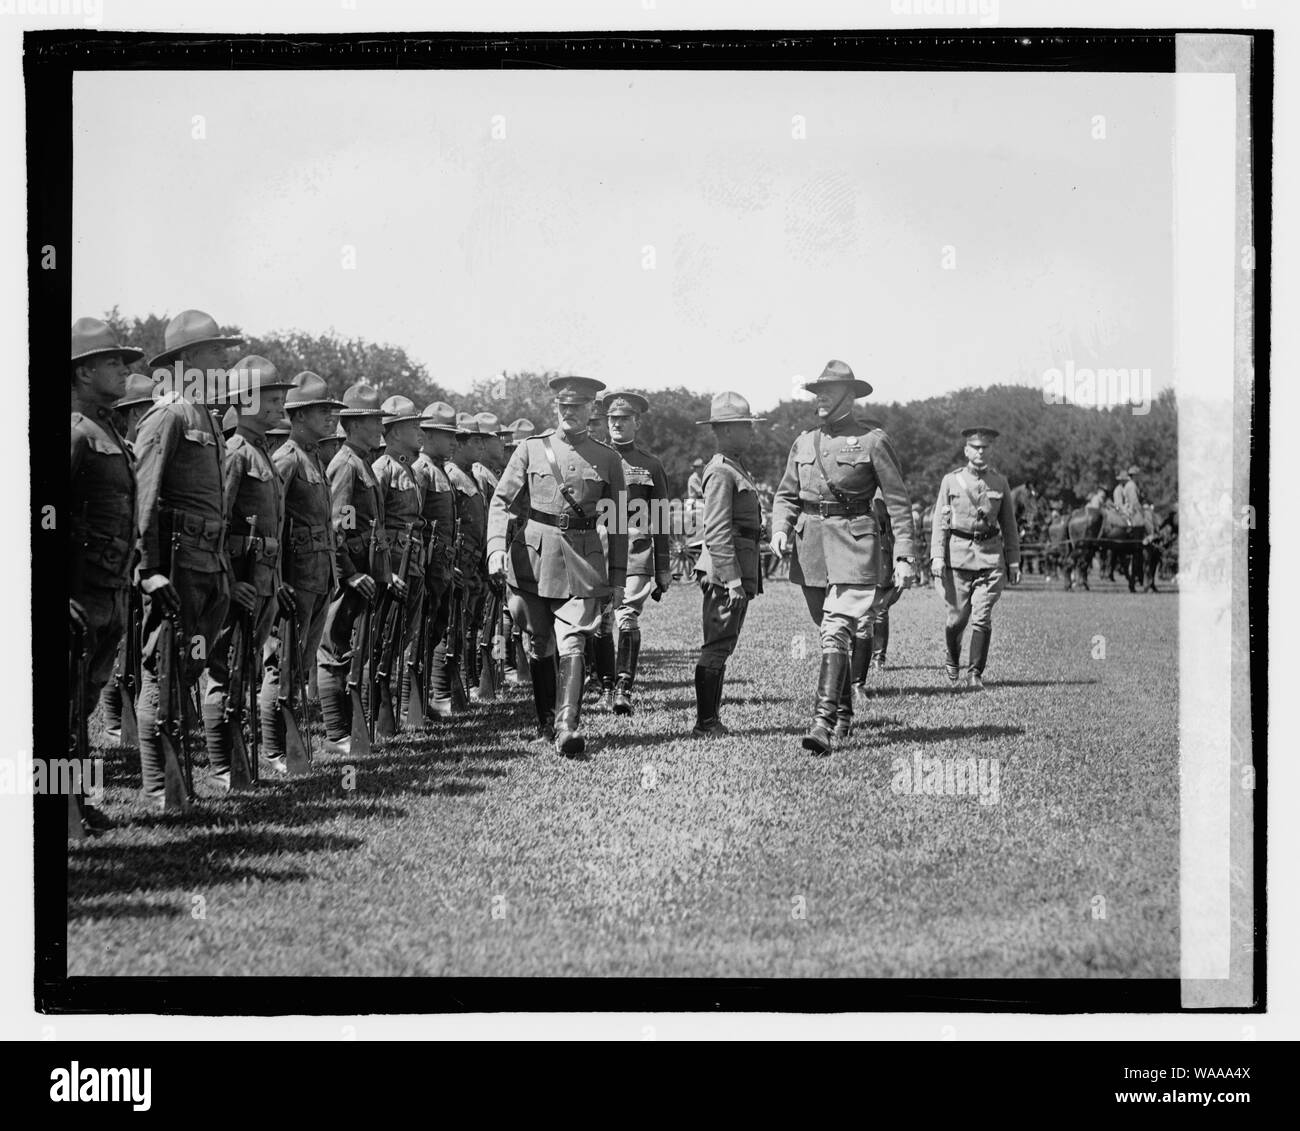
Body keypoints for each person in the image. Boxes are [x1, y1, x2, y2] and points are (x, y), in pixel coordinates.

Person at [770, 361, 916, 756]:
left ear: (849, 397)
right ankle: (845, 712)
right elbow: (786, 494)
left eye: (828, 392)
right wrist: (780, 528)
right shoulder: (803, 442)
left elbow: (899, 502)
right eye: (817, 391)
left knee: (835, 629)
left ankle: (822, 723)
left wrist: (904, 555)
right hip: (811, 549)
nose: (819, 397)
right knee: (828, 629)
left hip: (855, 543)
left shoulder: (872, 441)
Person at [133, 309, 242, 808]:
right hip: (176, 568)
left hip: (208, 566)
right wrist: (147, 570)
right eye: (216, 351)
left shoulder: (209, 421)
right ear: (187, 360)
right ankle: (162, 788)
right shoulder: (169, 415)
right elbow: (145, 498)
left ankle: (177, 784)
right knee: (163, 672)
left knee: (190, 667)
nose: (225, 358)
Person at [486, 375, 628, 756]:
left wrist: (617, 579)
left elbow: (617, 525)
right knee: (540, 642)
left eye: (578, 407)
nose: (570, 413)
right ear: (556, 408)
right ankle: (546, 721)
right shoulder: (532, 450)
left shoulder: (608, 459)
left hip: (583, 560)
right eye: (564, 407)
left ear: (591, 410)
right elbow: (501, 502)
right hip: (532, 559)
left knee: (573, 638)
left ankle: (568, 726)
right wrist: (495, 548)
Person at [203, 357, 295, 787]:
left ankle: (240, 761)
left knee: (249, 670)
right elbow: (218, 522)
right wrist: (231, 580)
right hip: (241, 581)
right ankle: (223, 766)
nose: (281, 403)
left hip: (264, 581)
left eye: (281, 396)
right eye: (271, 397)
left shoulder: (263, 453)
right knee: (224, 669)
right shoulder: (236, 453)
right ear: (245, 401)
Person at [70, 317, 142, 833]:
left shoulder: (107, 430)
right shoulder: (75, 434)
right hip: (79, 591)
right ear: (82, 372)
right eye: (112, 363)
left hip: (112, 588)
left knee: (86, 700)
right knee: (64, 701)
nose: (123, 371)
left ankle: (75, 803)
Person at [262, 372, 344, 767]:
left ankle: (288, 746)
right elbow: (273, 523)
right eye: (321, 411)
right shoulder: (287, 460)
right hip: (295, 578)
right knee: (282, 664)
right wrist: (277, 580)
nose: (330, 417)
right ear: (298, 416)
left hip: (319, 574)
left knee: (301, 663)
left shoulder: (313, 457)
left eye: (331, 411)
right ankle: (274, 748)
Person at [317, 383, 390, 754]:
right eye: (375, 419)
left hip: (365, 572)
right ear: (356, 423)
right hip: (352, 575)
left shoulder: (361, 461)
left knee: (352, 648)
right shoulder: (346, 465)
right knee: (334, 650)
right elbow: (338, 526)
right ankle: (336, 735)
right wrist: (348, 572)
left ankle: (348, 730)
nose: (381, 426)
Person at [691, 392, 765, 738]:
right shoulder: (721, 471)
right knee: (717, 645)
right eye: (746, 426)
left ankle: (710, 720)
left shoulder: (734, 466)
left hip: (736, 566)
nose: (752, 432)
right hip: (725, 571)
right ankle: (706, 723)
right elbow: (718, 530)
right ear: (726, 430)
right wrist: (733, 580)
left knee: (724, 644)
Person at [929, 426, 1021, 690]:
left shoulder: (999, 482)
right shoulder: (951, 481)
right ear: (966, 450)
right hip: (957, 557)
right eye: (976, 447)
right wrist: (937, 556)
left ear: (990, 450)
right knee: (956, 618)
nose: (980, 452)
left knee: (982, 616)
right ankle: (952, 653)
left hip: (991, 558)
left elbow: (1010, 526)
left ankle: (975, 673)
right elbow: (939, 522)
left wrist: (1013, 561)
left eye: (985, 448)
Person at [601, 390, 672, 715]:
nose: (617, 424)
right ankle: (602, 682)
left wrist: (663, 567)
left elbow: (660, 520)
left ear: (636, 423)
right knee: (599, 620)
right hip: (597, 545)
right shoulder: (594, 457)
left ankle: (623, 688)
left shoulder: (649, 465)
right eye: (613, 418)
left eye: (624, 419)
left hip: (634, 547)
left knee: (626, 614)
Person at [100, 371, 158, 746]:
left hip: (137, 562)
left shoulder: (136, 453)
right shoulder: (121, 452)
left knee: (134, 644)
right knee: (118, 647)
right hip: (119, 563)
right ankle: (113, 720)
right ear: (134, 415)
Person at [370, 395, 424, 727]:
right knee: (381, 636)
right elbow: (373, 524)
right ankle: (375, 712)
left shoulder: (408, 467)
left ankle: (402, 712)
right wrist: (386, 571)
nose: (419, 431)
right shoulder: (382, 468)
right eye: (412, 426)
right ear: (393, 432)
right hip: (393, 562)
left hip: (413, 559)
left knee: (406, 634)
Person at [412, 403, 459, 717]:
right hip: (427, 564)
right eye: (447, 435)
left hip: (442, 563)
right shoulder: (422, 470)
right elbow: (415, 520)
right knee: (418, 633)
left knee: (437, 629)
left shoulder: (441, 470)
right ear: (427, 435)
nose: (454, 442)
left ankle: (428, 698)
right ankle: (408, 705)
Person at [447, 414, 489, 696]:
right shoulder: (451, 474)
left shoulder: (473, 474)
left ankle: (468, 680)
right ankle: (453, 684)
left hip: (474, 558)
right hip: (459, 559)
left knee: (470, 622)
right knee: (455, 624)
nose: (480, 447)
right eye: (475, 441)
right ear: (459, 444)